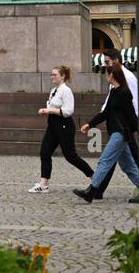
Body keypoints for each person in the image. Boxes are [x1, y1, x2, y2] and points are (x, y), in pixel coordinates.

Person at [74, 64, 139, 204]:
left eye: (106, 73)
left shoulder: (124, 92)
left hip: (121, 133)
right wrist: (90, 124)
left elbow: (132, 116)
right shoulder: (114, 92)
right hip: (117, 133)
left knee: (104, 160)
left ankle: (91, 191)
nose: (105, 76)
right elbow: (105, 113)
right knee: (129, 167)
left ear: (112, 75)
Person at [29, 65, 93, 193]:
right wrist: (47, 110)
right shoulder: (54, 90)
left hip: (64, 126)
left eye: (55, 75)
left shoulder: (66, 90)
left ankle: (95, 177)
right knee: (45, 152)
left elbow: (69, 110)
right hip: (53, 125)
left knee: (71, 156)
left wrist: (49, 110)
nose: (52, 77)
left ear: (62, 76)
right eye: (51, 74)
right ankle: (43, 183)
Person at [93, 48, 139, 202]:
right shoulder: (115, 83)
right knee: (126, 163)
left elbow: (133, 105)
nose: (105, 66)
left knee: (132, 161)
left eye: (107, 62)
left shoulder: (127, 78)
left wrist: (136, 129)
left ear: (116, 60)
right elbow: (109, 106)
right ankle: (96, 190)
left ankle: (94, 190)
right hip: (119, 126)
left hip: (125, 127)